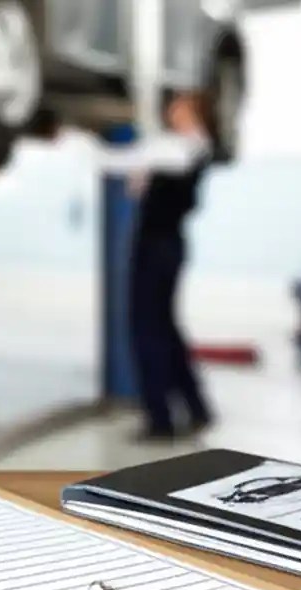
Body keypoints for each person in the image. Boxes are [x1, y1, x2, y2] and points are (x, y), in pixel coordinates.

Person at [102, 94, 216, 441]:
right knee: (165, 328)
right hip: (169, 245)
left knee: (145, 330)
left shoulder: (179, 148)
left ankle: (160, 419)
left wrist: (75, 142)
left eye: (179, 106)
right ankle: (197, 407)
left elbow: (118, 165)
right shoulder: (195, 148)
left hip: (155, 247)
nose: (171, 111)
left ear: (193, 112)